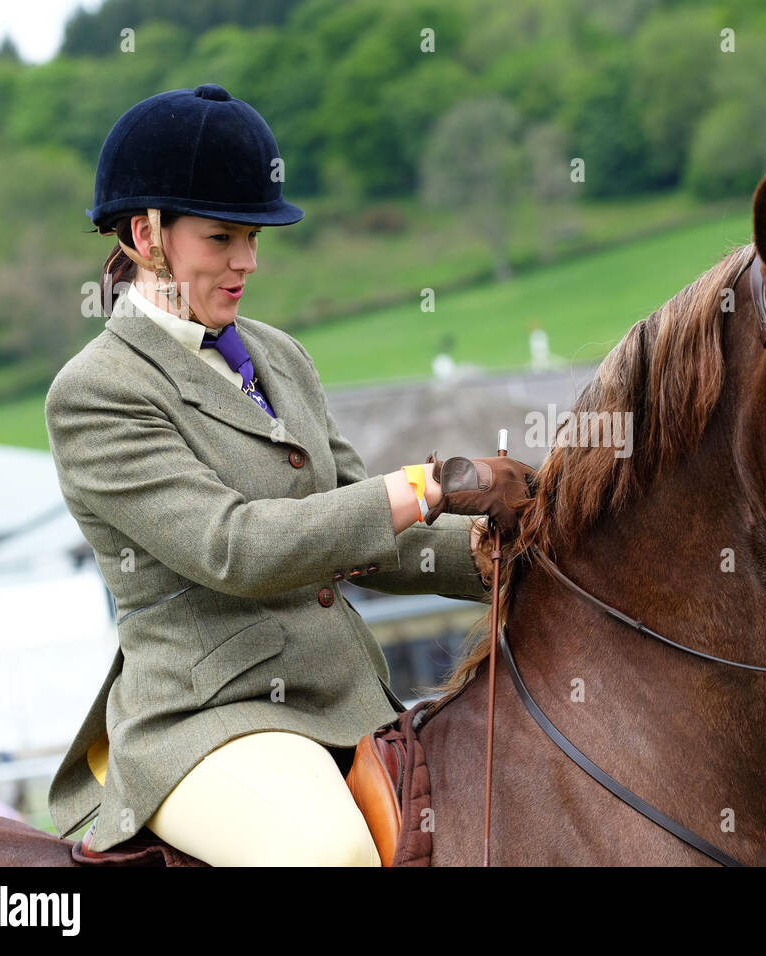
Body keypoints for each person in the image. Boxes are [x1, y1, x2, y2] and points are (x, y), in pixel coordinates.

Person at [44, 84, 534, 866]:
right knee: (326, 856)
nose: (248, 262)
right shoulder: (97, 392)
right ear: (146, 234)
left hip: (349, 697)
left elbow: (350, 531)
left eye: (253, 237)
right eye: (222, 239)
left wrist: (496, 549)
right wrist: (424, 486)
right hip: (211, 721)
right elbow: (233, 548)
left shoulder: (277, 355)